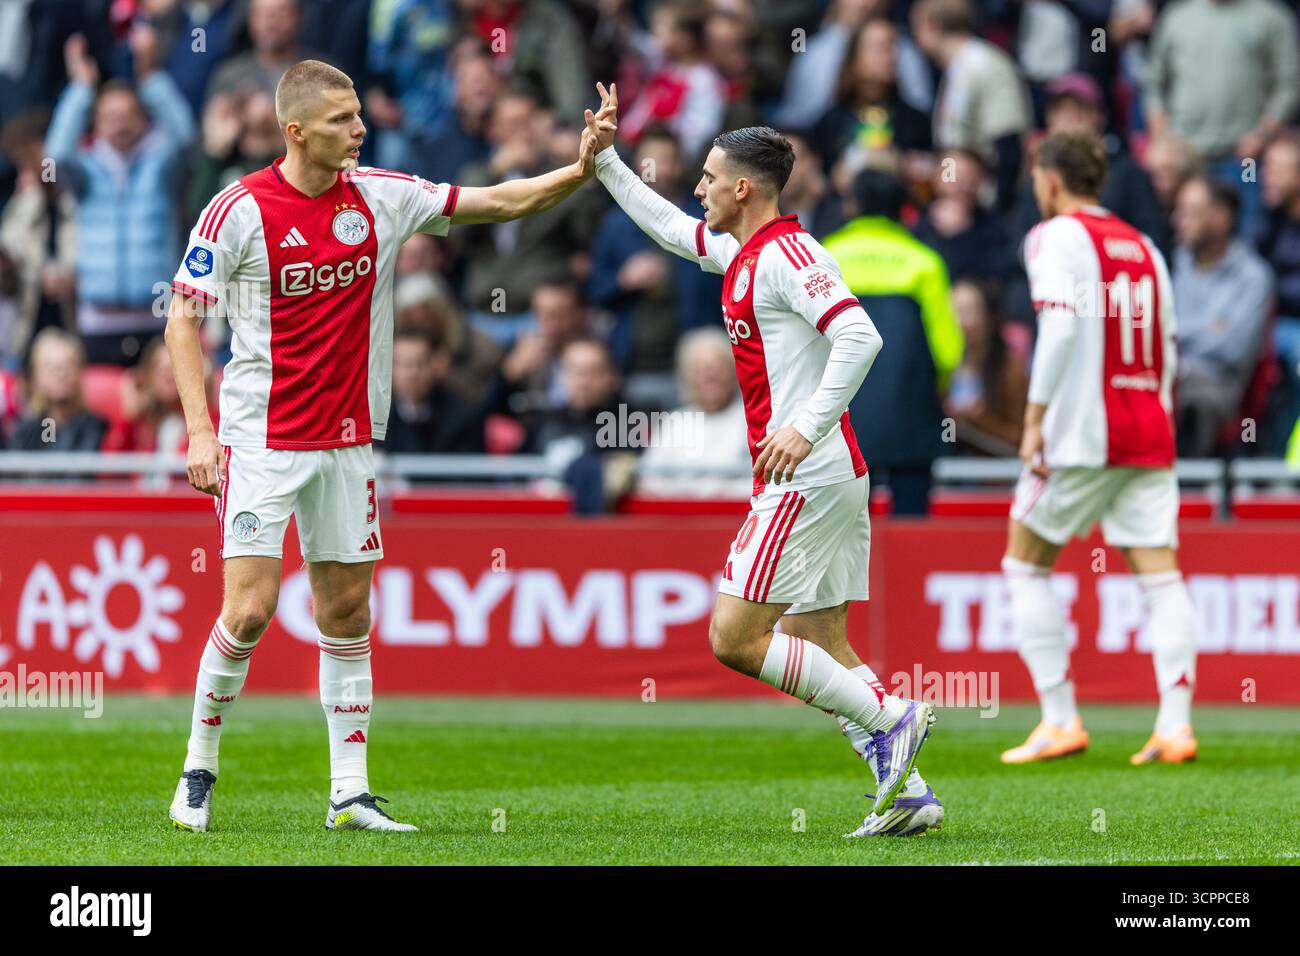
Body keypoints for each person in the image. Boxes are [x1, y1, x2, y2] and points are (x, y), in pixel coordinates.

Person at [165, 58, 607, 834]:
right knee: (251, 611)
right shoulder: (235, 211)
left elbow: (498, 201)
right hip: (259, 442)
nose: (359, 128)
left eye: (359, 114)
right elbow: (182, 317)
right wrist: (199, 431)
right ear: (295, 130)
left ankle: (350, 792)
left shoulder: (382, 196)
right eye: (341, 119)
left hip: (347, 444)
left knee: (346, 612)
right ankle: (198, 771)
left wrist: (580, 166)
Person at [586, 84, 941, 837]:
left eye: (709, 178)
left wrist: (806, 427)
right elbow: (674, 230)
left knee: (734, 638)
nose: (698, 188)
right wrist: (606, 163)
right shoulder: (747, 254)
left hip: (806, 475)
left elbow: (860, 336)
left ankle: (890, 718)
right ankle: (908, 792)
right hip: (830, 473)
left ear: (743, 188)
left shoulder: (788, 254)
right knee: (819, 641)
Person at [1002, 129, 1199, 767]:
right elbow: (1169, 347)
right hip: (1147, 427)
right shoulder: (1144, 247)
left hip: (1083, 432)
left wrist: (1034, 421)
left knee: (1025, 565)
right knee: (1162, 580)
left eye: (1037, 178)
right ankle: (1175, 728)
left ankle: (1060, 719)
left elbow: (1058, 328)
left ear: (1051, 180)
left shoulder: (1053, 236)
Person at [822, 169, 963, 515]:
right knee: (910, 529)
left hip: (838, 420)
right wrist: (938, 390)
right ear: (903, 209)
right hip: (910, 418)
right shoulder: (924, 262)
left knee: (842, 532)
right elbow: (948, 353)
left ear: (852, 206)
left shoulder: (824, 257)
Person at [1170, 176, 1274, 456]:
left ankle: (1189, 489)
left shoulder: (1253, 276)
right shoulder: (1176, 263)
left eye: (1191, 213)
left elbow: (1233, 350)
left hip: (1220, 387)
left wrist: (1179, 333)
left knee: (1191, 401)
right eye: (1179, 212)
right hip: (1173, 373)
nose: (1180, 221)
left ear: (1220, 219)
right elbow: (1163, 332)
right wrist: (1209, 326)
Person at [11, 328, 106, 452]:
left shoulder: (92, 426)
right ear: (36, 376)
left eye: (68, 366)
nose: (61, 375)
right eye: (52, 368)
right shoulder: (28, 429)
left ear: (79, 372)